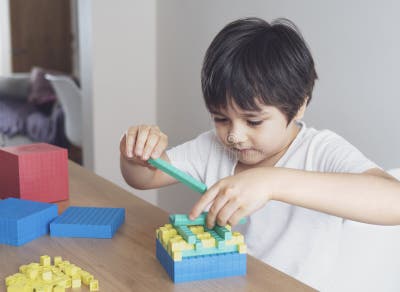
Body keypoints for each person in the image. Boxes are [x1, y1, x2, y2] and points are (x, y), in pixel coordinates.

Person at [120, 17, 400, 289]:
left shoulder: (319, 151)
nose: (234, 135)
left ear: (299, 105)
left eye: (253, 121)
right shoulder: (212, 148)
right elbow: (143, 179)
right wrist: (135, 156)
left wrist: (271, 181)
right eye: (220, 118)